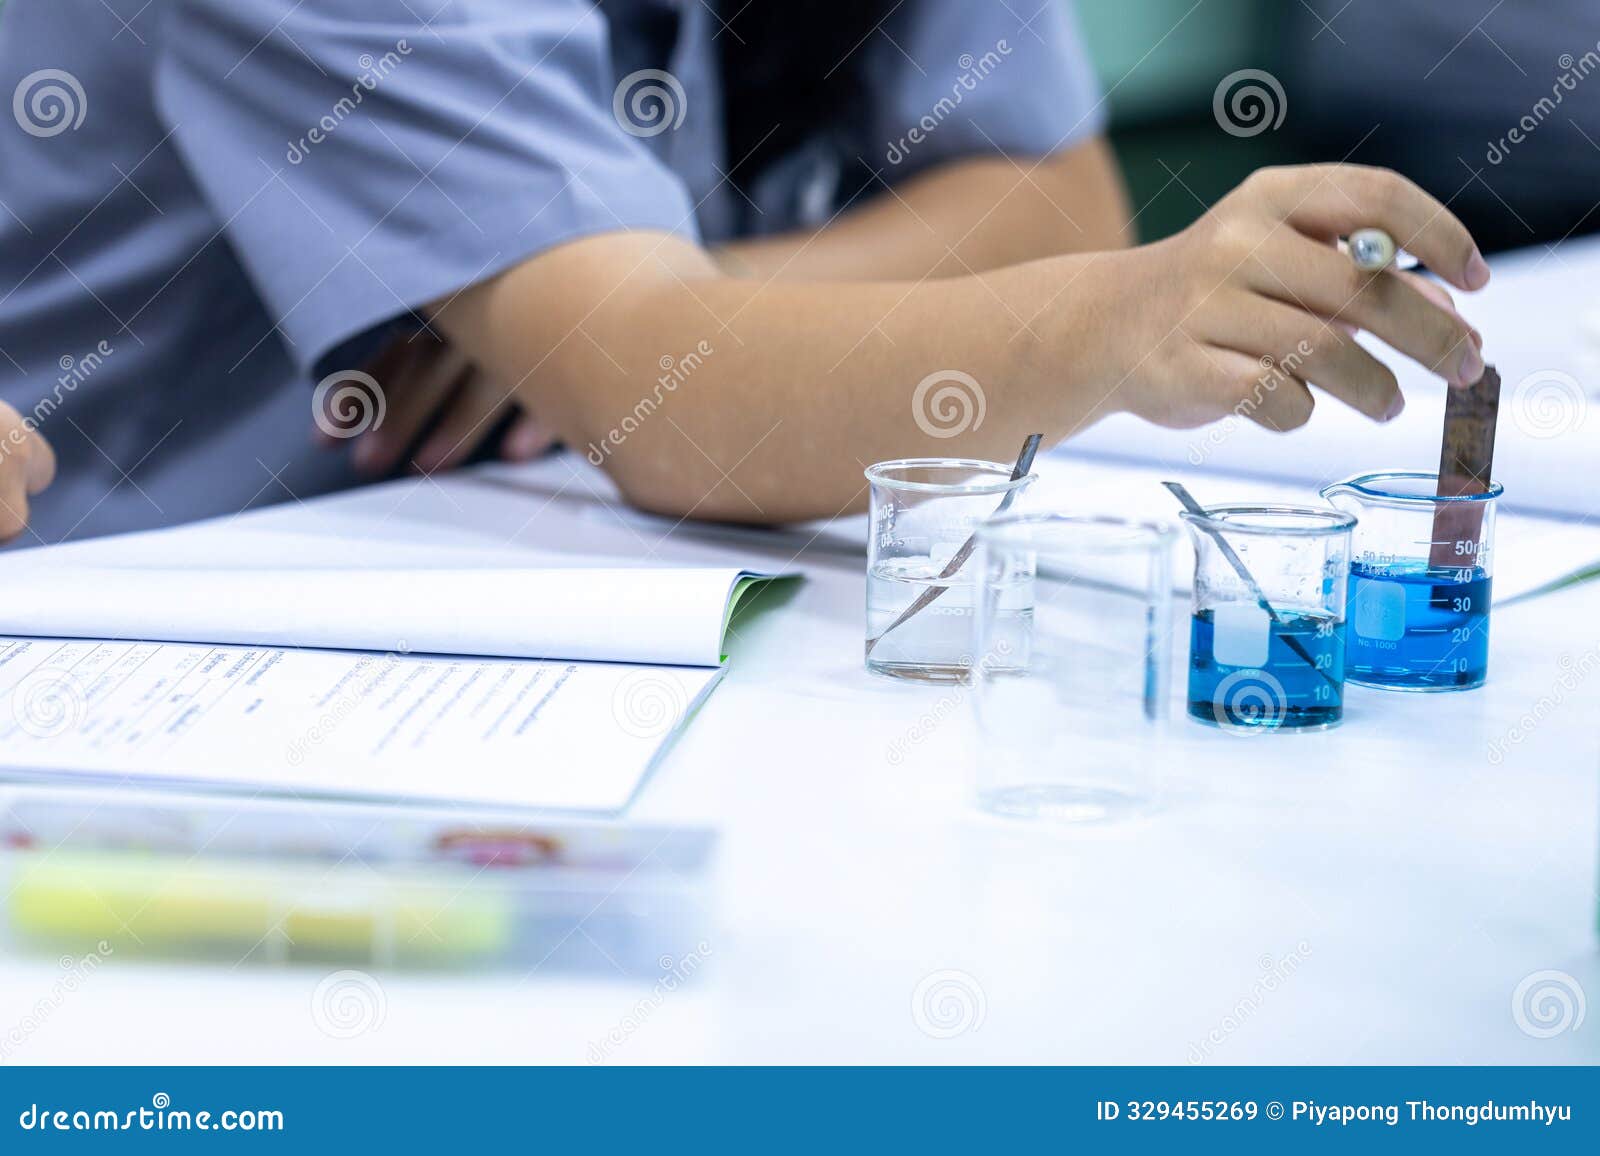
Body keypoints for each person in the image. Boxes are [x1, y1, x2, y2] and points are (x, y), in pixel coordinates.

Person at [0, 0, 1488, 543]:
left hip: (482, 560)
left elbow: (1043, 197)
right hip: (134, 604)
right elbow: (669, 404)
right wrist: (1126, 319)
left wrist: (561, 280)